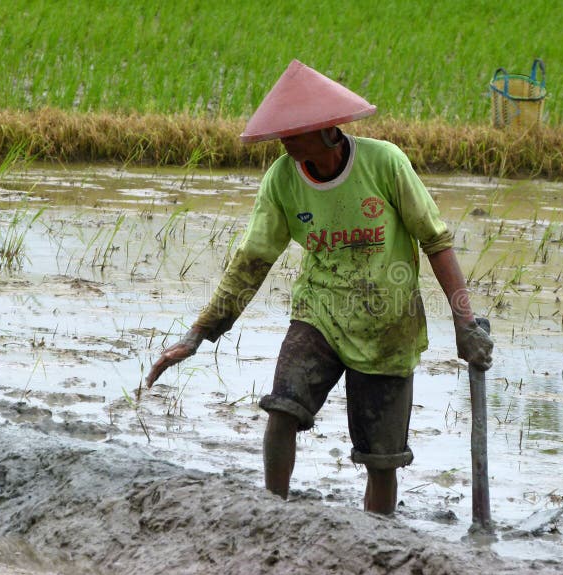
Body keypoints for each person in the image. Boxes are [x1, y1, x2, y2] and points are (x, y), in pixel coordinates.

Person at [145, 59, 493, 515]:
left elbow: (436, 241)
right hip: (320, 313)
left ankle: (378, 535)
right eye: (282, 134)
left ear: (328, 130)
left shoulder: (384, 163)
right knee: (283, 409)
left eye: (295, 132)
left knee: (380, 459)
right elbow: (253, 260)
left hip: (389, 325)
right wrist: (200, 333)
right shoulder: (283, 180)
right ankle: (273, 512)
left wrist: (464, 324)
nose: (285, 142)